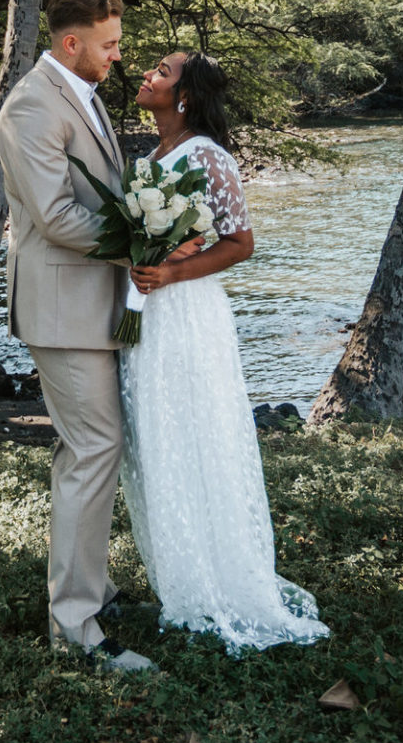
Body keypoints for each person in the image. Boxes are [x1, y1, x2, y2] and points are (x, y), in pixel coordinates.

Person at [120, 50, 331, 653]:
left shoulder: (207, 155)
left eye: (161, 71)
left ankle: (219, 578)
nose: (147, 75)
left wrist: (171, 276)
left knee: (195, 431)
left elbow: (240, 244)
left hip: (185, 313)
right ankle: (179, 572)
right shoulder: (151, 156)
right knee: (157, 435)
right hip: (146, 311)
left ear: (183, 95)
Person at [0, 0, 156, 672]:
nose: (118, 56)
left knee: (97, 449)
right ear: (71, 42)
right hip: (63, 313)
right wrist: (145, 242)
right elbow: (58, 219)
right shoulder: (32, 107)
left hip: (98, 307)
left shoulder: (77, 95)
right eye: (109, 44)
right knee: (93, 450)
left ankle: (94, 588)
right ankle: (75, 625)